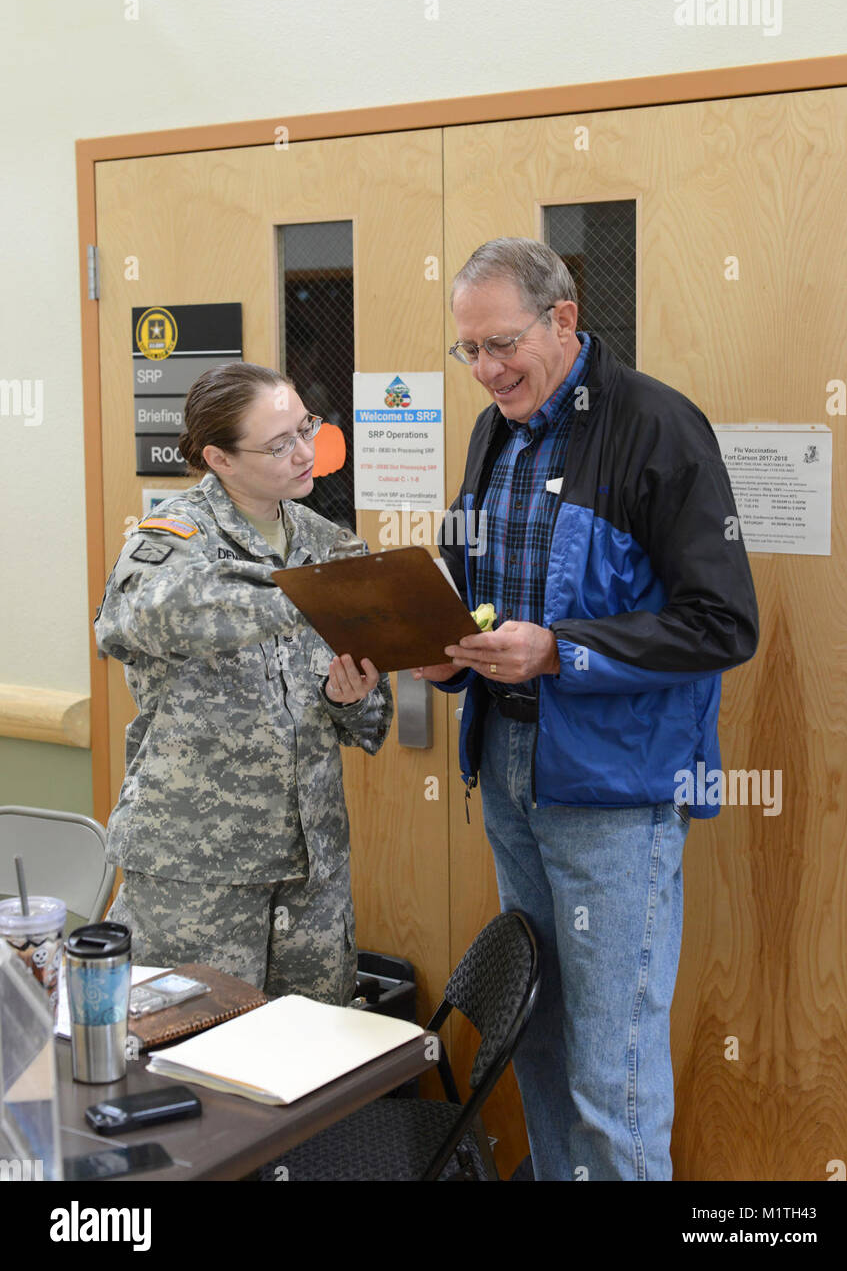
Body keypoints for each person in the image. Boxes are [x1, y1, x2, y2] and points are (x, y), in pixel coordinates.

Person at [414, 238, 758, 1180]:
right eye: (469, 350)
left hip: (612, 790)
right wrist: (438, 650)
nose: (486, 370)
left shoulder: (657, 425)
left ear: (562, 319)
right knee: (535, 1036)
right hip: (508, 770)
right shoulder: (494, 430)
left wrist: (560, 650)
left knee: (613, 1071)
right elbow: (467, 581)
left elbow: (723, 623)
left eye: (502, 345)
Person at [94, 361, 392, 1005]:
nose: (305, 453)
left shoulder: (331, 546)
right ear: (219, 458)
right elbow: (146, 616)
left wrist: (349, 698)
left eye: (306, 429)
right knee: (191, 1046)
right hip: (197, 871)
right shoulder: (173, 537)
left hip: (310, 869)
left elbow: (371, 718)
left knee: (312, 1052)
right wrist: (308, 598)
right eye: (279, 444)